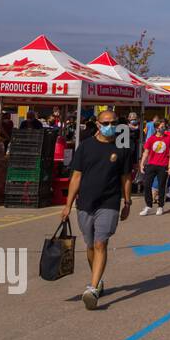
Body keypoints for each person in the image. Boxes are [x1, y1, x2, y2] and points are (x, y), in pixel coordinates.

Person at [61, 109, 132, 310]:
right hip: (85, 203)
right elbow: (76, 177)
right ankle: (97, 279)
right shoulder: (85, 147)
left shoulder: (122, 146)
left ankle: (92, 288)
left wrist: (127, 202)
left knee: (101, 243)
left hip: (109, 202)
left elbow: (126, 177)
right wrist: (68, 204)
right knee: (90, 245)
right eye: (107, 123)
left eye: (115, 122)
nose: (111, 126)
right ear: (99, 125)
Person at [138, 119, 170, 216]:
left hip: (163, 165)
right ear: (157, 128)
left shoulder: (168, 138)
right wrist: (142, 164)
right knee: (146, 184)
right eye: (162, 126)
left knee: (162, 186)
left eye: (164, 126)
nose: (163, 128)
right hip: (151, 165)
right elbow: (146, 152)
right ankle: (148, 205)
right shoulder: (151, 139)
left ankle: (160, 206)